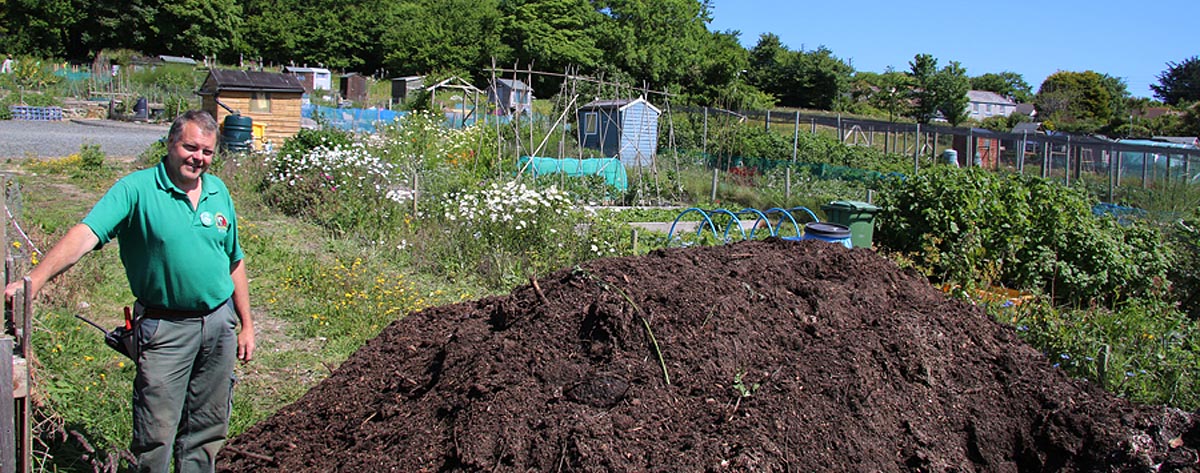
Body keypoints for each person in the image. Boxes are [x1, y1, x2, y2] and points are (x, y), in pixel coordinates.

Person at [5, 110, 255, 473]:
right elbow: (85, 234)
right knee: (156, 431)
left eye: (207, 151)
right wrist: (34, 281)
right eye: (190, 147)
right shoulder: (136, 190)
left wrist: (246, 324)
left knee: (208, 426)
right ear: (170, 143)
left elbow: (234, 260)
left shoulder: (218, 191)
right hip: (165, 328)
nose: (198, 158)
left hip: (219, 324)